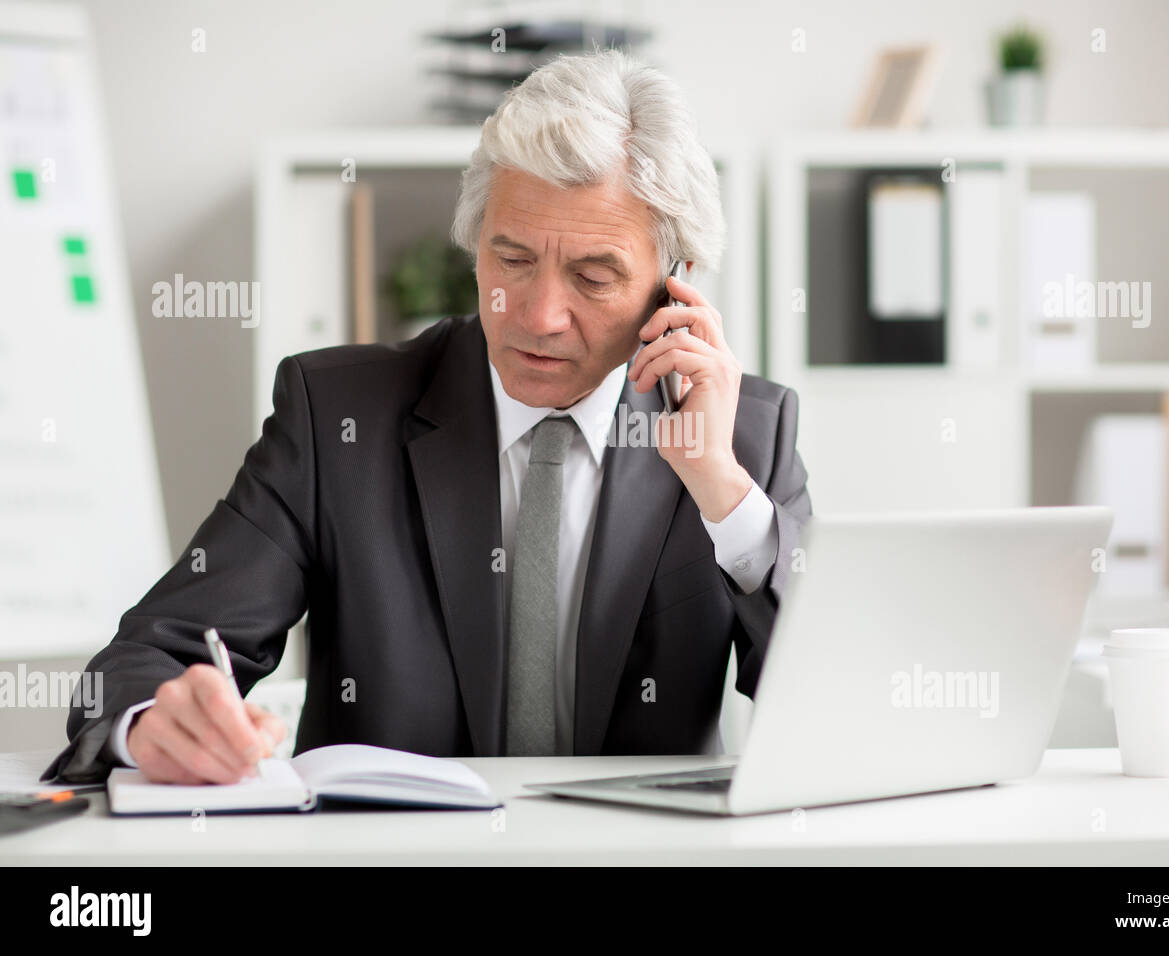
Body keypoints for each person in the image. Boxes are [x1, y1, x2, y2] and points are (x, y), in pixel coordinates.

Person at [43, 48, 810, 785]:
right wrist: (153, 724)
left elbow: (830, 698)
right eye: (511, 260)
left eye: (593, 275)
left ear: (675, 285)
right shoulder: (337, 417)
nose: (539, 315)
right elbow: (144, 661)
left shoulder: (743, 435)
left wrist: (722, 492)